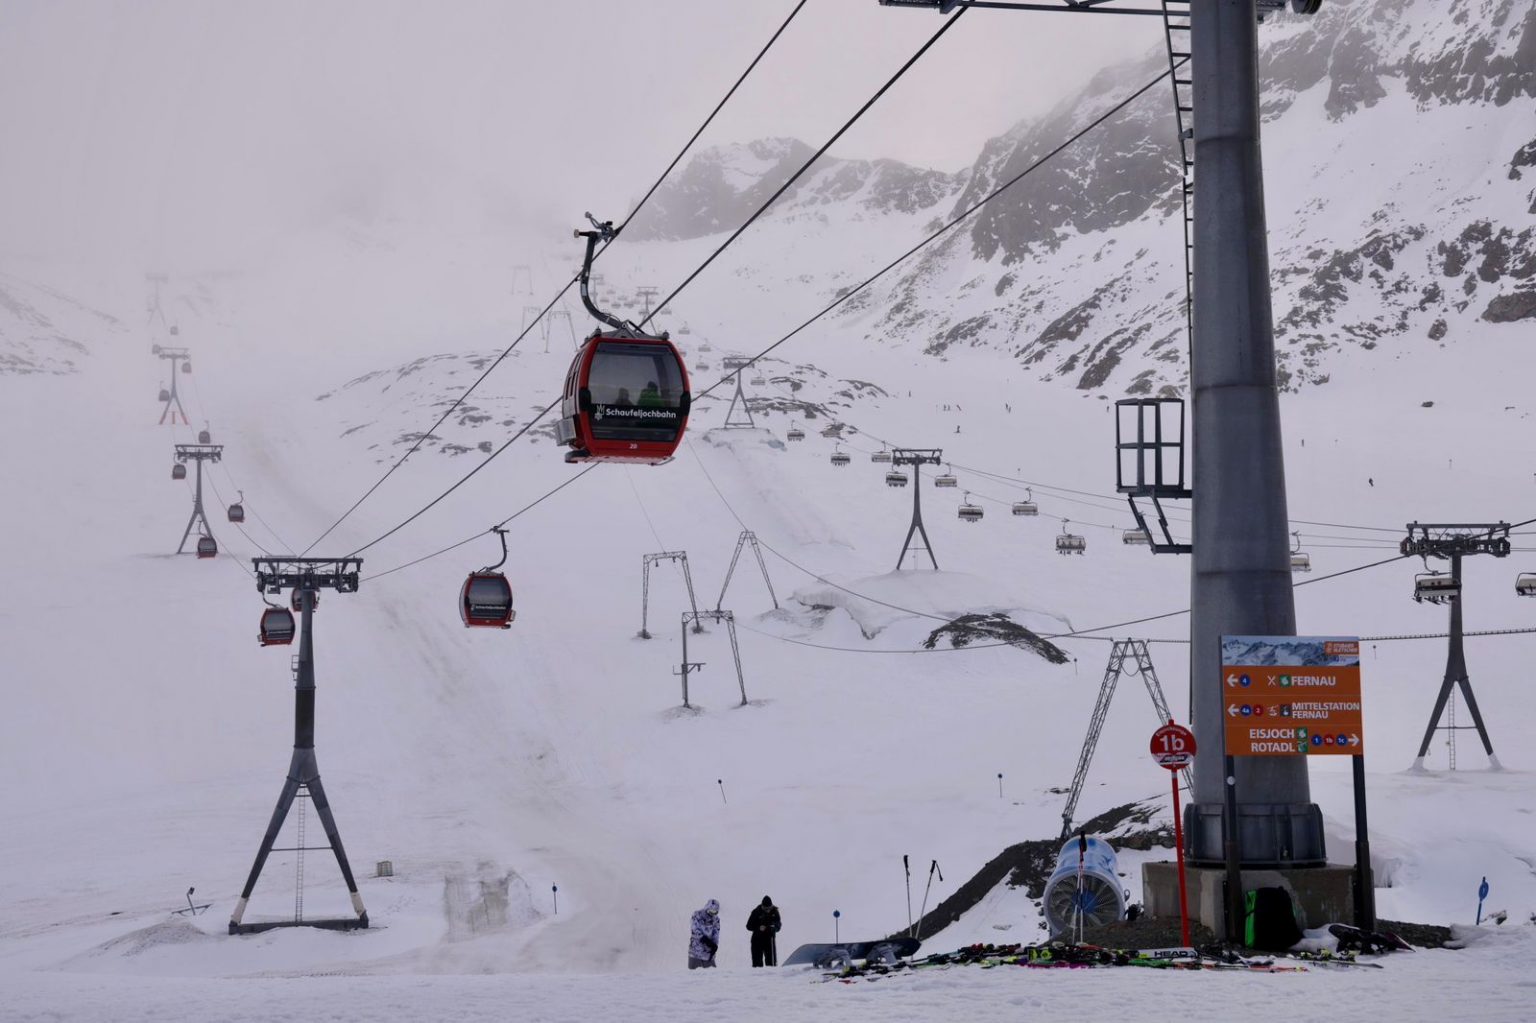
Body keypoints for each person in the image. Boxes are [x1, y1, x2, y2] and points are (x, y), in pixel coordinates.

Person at [746, 896, 781, 967]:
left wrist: (773, 927)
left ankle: (771, 974)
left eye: (769, 908)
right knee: (757, 965)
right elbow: (748, 926)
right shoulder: (756, 912)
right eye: (765, 909)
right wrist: (758, 928)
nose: (767, 910)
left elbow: (778, 925)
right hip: (757, 940)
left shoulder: (775, 912)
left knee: (772, 964)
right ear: (762, 906)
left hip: (770, 940)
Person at [688, 899, 720, 969]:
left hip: (708, 954)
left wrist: (714, 945)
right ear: (707, 907)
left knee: (711, 974)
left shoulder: (716, 919)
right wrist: (704, 939)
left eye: (715, 912)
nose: (712, 914)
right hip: (695, 952)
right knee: (694, 974)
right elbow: (694, 929)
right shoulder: (697, 915)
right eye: (711, 911)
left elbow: (716, 933)